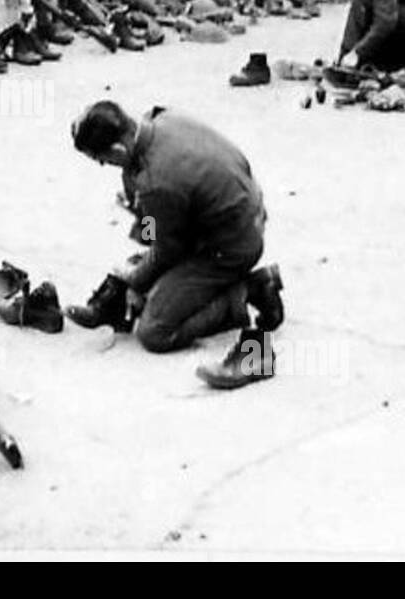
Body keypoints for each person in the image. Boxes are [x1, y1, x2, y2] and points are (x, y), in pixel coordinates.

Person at [68, 100, 285, 388]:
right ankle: (121, 298)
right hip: (238, 213)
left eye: (103, 160)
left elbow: (168, 250)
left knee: (154, 331)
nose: (105, 166)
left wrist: (136, 281)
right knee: (147, 256)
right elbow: (154, 232)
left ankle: (248, 292)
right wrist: (142, 216)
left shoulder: (156, 182)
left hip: (230, 247)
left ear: (118, 150)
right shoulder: (162, 120)